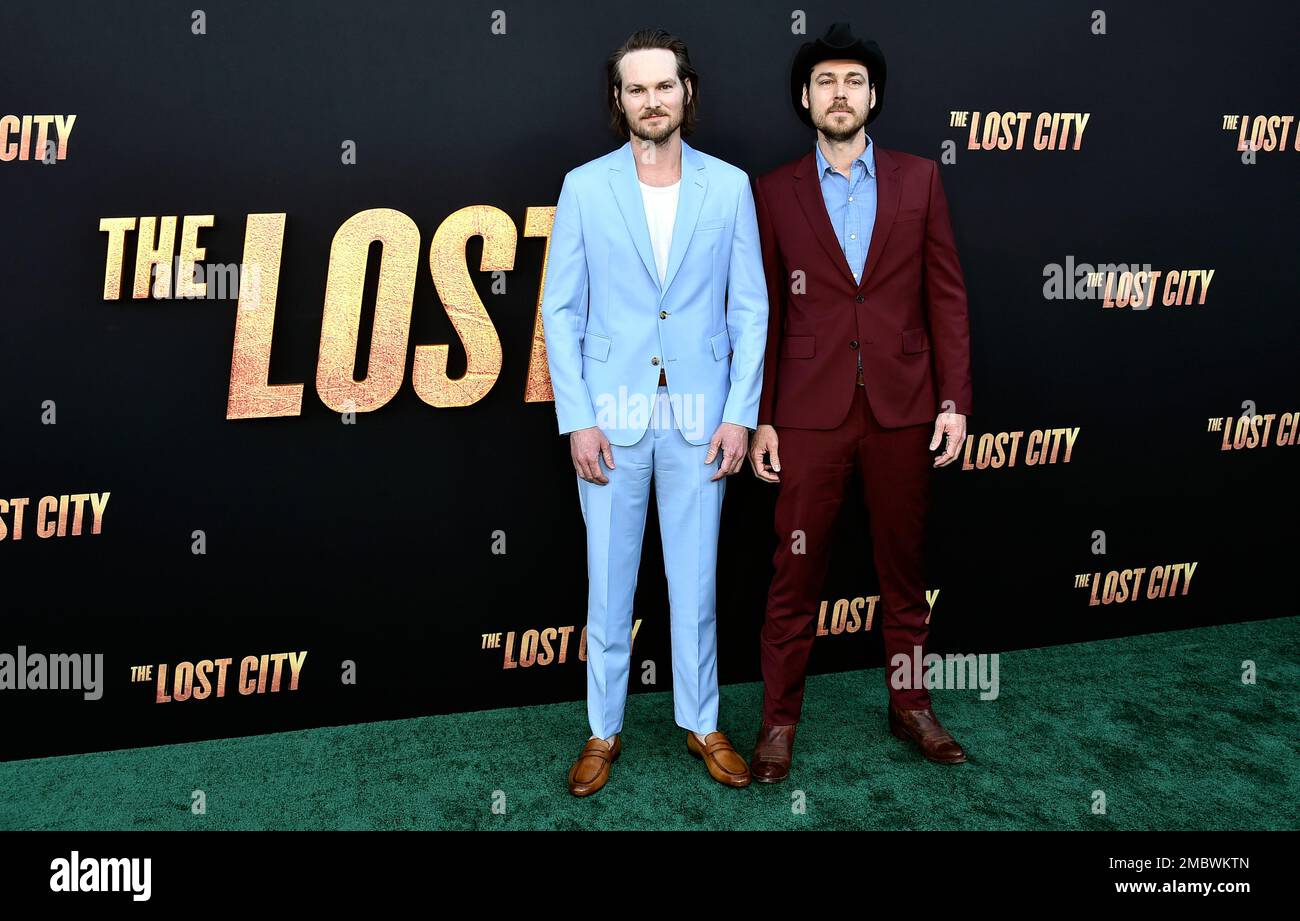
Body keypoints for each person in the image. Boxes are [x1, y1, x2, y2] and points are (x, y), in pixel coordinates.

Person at [541, 28, 768, 796]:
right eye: (635, 89)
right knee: (609, 588)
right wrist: (578, 417)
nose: (651, 100)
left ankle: (702, 721)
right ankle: (603, 729)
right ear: (618, 101)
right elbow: (561, 309)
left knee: (695, 584)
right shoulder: (584, 186)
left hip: (702, 423)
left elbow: (751, 308)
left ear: (686, 92)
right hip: (610, 420)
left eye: (663, 86)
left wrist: (740, 414)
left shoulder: (730, 186)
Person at [747, 22, 974, 782]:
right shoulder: (773, 191)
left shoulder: (919, 179)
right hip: (808, 414)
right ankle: (779, 722)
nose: (838, 94)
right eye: (824, 83)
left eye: (851, 82)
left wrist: (954, 400)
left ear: (872, 96)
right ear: (804, 99)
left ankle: (911, 705)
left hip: (905, 408)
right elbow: (766, 310)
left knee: (903, 570)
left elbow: (945, 295)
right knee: (793, 577)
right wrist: (762, 417)